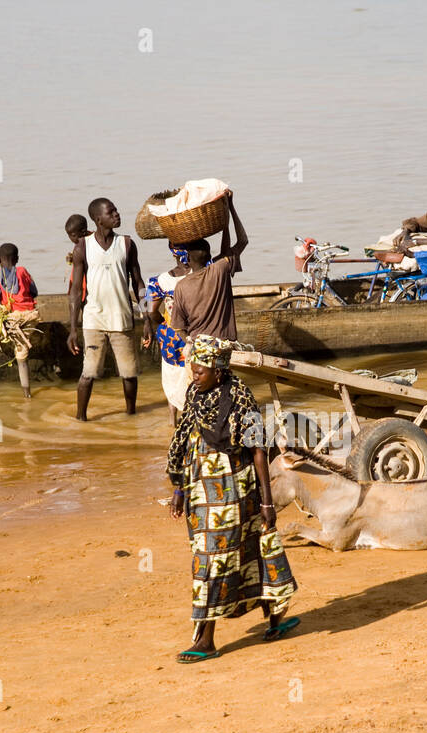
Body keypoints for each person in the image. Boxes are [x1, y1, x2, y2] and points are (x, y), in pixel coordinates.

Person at [166, 335, 299, 663]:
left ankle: (207, 640)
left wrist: (267, 502)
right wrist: (179, 490)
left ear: (219, 371)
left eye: (200, 371)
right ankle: (276, 620)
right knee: (244, 552)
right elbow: (183, 442)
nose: (193, 375)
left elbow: (258, 449)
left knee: (218, 559)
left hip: (235, 492)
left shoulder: (240, 397)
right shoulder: (195, 394)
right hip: (201, 491)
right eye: (192, 369)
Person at [68, 197, 147, 421]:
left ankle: (131, 418)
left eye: (116, 211)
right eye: (111, 212)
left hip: (122, 320)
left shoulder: (127, 244)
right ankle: (80, 419)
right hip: (94, 321)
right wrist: (74, 328)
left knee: (129, 374)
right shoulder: (83, 247)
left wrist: (146, 317)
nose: (117, 215)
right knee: (88, 374)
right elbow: (75, 290)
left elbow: (138, 283)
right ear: (98, 219)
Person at [168, 190, 247, 341]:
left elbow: (178, 327)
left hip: (199, 350)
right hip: (225, 346)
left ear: (188, 258)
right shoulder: (220, 269)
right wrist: (229, 208)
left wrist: (190, 344)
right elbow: (242, 241)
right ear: (210, 257)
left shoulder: (182, 286)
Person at [144, 243, 193, 422]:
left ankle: (172, 419)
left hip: (169, 335)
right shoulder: (198, 275)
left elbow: (151, 311)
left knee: (171, 376)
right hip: (189, 333)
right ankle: (189, 417)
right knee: (189, 376)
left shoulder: (160, 280)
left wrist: (164, 323)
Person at [0, 242, 38, 322]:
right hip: (30, 313)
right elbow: (34, 292)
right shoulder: (23, 271)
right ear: (17, 259)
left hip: (12, 315)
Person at [64, 213, 90, 286]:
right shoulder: (80, 243)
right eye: (68, 235)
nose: (70, 238)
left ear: (83, 232)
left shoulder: (94, 242)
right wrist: (73, 258)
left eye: (73, 235)